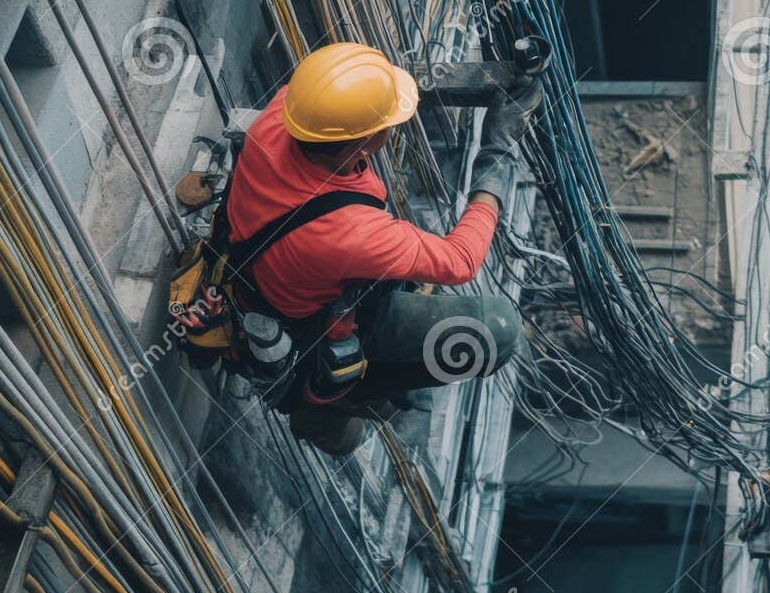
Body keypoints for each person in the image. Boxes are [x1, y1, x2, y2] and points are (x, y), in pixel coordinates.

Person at [224, 42, 538, 454]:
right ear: (365, 145)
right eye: (389, 123)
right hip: (315, 326)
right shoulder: (354, 233)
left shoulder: (288, 113)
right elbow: (461, 261)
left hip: (261, 266)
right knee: (498, 330)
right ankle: (352, 394)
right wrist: (498, 152)